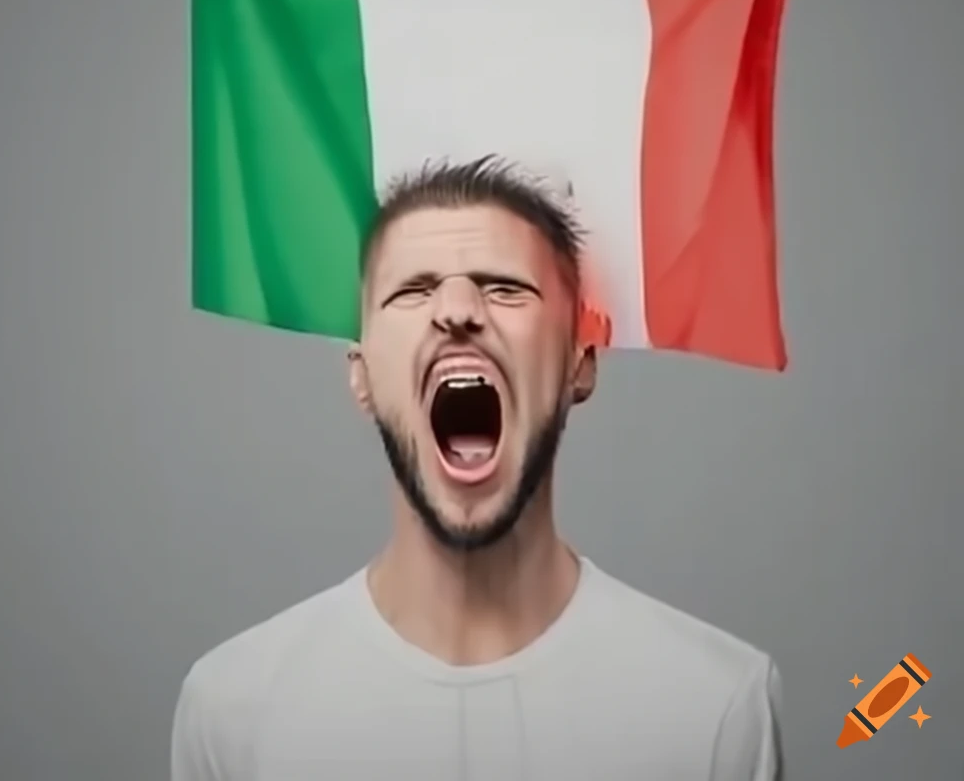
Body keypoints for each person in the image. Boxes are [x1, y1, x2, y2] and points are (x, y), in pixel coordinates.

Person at [171, 156, 785, 780]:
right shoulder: (234, 713)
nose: (458, 308)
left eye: (505, 287)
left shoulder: (715, 708)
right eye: (413, 289)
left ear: (581, 362)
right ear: (363, 374)